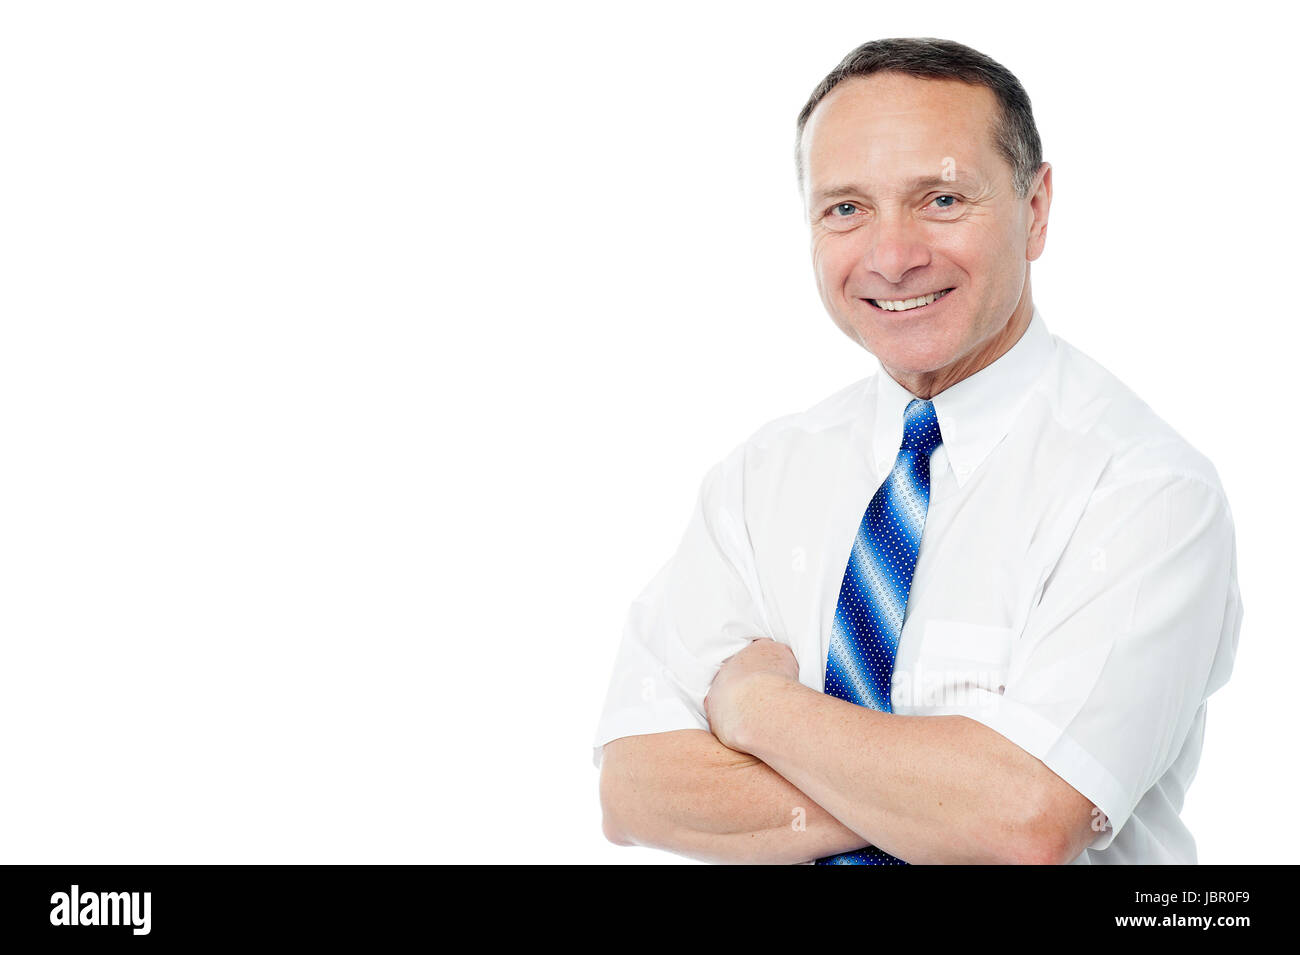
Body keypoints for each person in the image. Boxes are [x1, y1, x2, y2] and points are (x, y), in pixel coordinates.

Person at [591, 37, 1242, 865]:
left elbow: (1027, 824)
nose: (893, 257)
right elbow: (635, 788)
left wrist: (757, 708)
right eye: (846, 209)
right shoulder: (759, 482)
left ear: (1036, 209)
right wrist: (945, 796)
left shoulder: (1144, 491)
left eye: (940, 199)